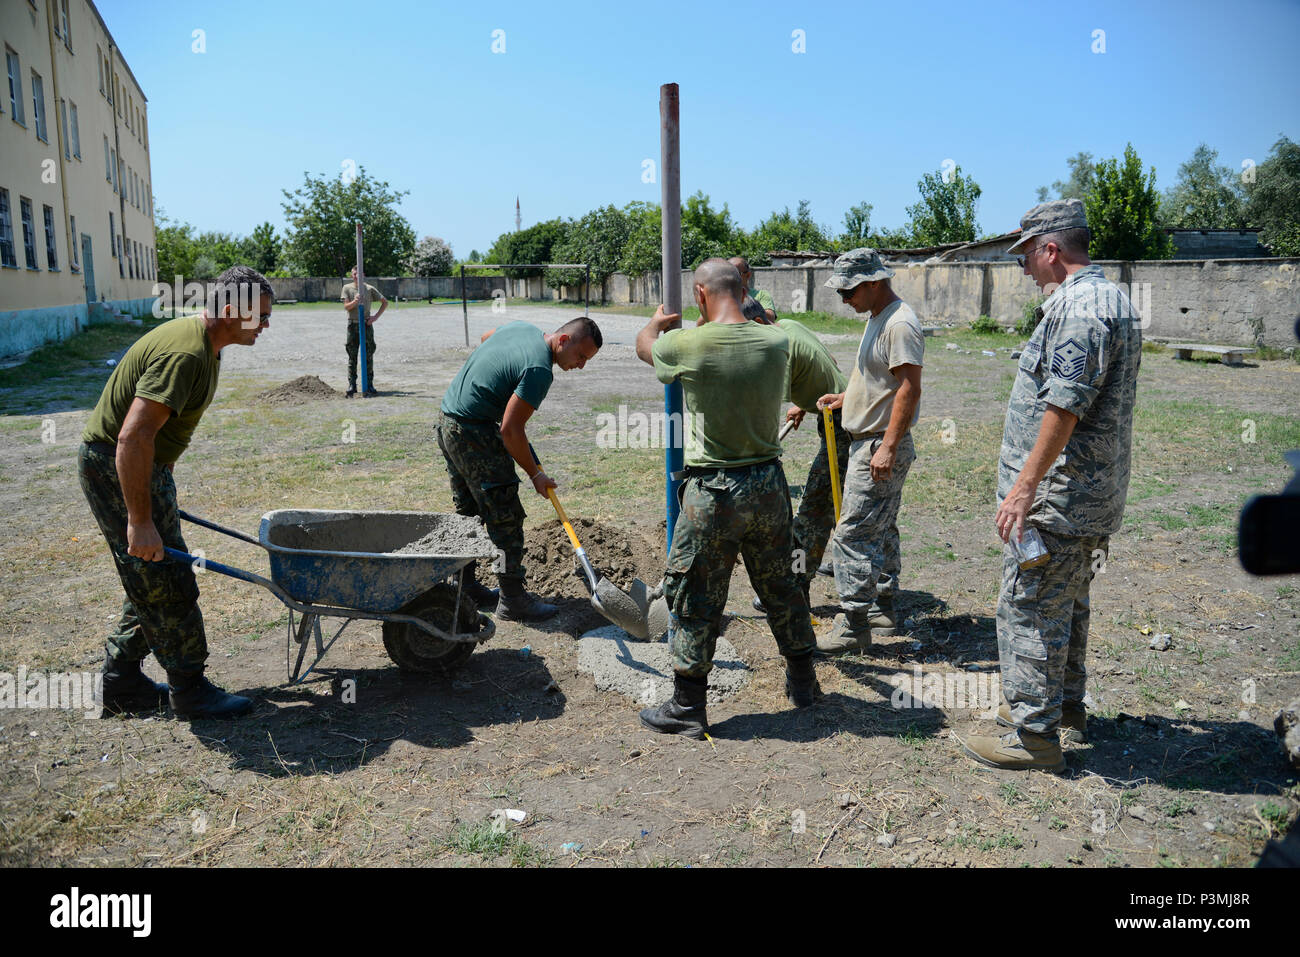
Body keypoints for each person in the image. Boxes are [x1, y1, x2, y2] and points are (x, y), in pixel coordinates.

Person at [957, 199, 1141, 772]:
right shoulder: (1110, 299)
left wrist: (1023, 488)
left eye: (1025, 259)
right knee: (1068, 604)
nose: (1025, 270)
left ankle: (1033, 735)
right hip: (1085, 496)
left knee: (1030, 606)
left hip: (1059, 498)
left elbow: (1065, 405)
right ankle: (1063, 707)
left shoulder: (1083, 307)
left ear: (1050, 250)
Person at [635, 259, 819, 739]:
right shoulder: (778, 340)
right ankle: (804, 682)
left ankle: (687, 706)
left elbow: (645, 348)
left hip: (713, 492)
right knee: (782, 585)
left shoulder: (686, 344)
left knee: (696, 593)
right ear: (743, 289)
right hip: (769, 485)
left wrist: (656, 323)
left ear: (699, 294)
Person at [79, 265, 274, 719]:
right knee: (168, 579)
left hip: (143, 468)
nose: (266, 325)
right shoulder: (186, 355)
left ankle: (119, 680)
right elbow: (131, 437)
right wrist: (140, 519)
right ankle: (189, 691)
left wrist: (159, 484)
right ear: (230, 311)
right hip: (117, 463)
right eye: (260, 316)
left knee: (151, 573)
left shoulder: (207, 343)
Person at [437, 317, 602, 621]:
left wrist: (496, 387)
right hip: (474, 433)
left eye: (586, 360)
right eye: (580, 356)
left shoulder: (522, 329)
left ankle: (465, 584)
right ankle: (512, 598)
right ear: (563, 340)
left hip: (448, 421)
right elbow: (511, 431)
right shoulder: (539, 370)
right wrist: (535, 475)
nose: (581, 366)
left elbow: (488, 337)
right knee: (506, 517)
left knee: (470, 512)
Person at [817, 248, 924, 655]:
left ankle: (853, 622)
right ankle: (883, 604)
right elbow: (881, 380)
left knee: (852, 532)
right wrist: (850, 397)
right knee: (881, 526)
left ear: (874, 282)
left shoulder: (899, 324)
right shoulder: (877, 319)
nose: (844, 299)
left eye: (849, 290)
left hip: (880, 444)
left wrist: (889, 447)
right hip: (873, 439)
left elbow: (909, 389)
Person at [751, 316, 850, 614]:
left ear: (758, 322)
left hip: (842, 426)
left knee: (813, 513)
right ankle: (879, 582)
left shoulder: (779, 348)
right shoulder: (789, 325)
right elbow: (826, 360)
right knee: (842, 508)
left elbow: (764, 406)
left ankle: (794, 587)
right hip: (839, 415)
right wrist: (804, 402)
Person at [341, 266, 388, 397]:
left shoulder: (369, 288)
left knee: (368, 355)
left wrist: (375, 318)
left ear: (363, 275)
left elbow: (385, 302)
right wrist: (355, 301)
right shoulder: (347, 288)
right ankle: (352, 385)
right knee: (352, 356)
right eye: (354, 274)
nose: (357, 276)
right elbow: (346, 307)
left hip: (366, 325)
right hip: (353, 325)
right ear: (352, 275)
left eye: (359, 274)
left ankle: (369, 384)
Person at [729, 256, 777, 323]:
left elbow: (770, 317)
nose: (730, 277)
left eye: (736, 273)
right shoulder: (722, 295)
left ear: (748, 275)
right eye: (727, 273)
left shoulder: (761, 295)